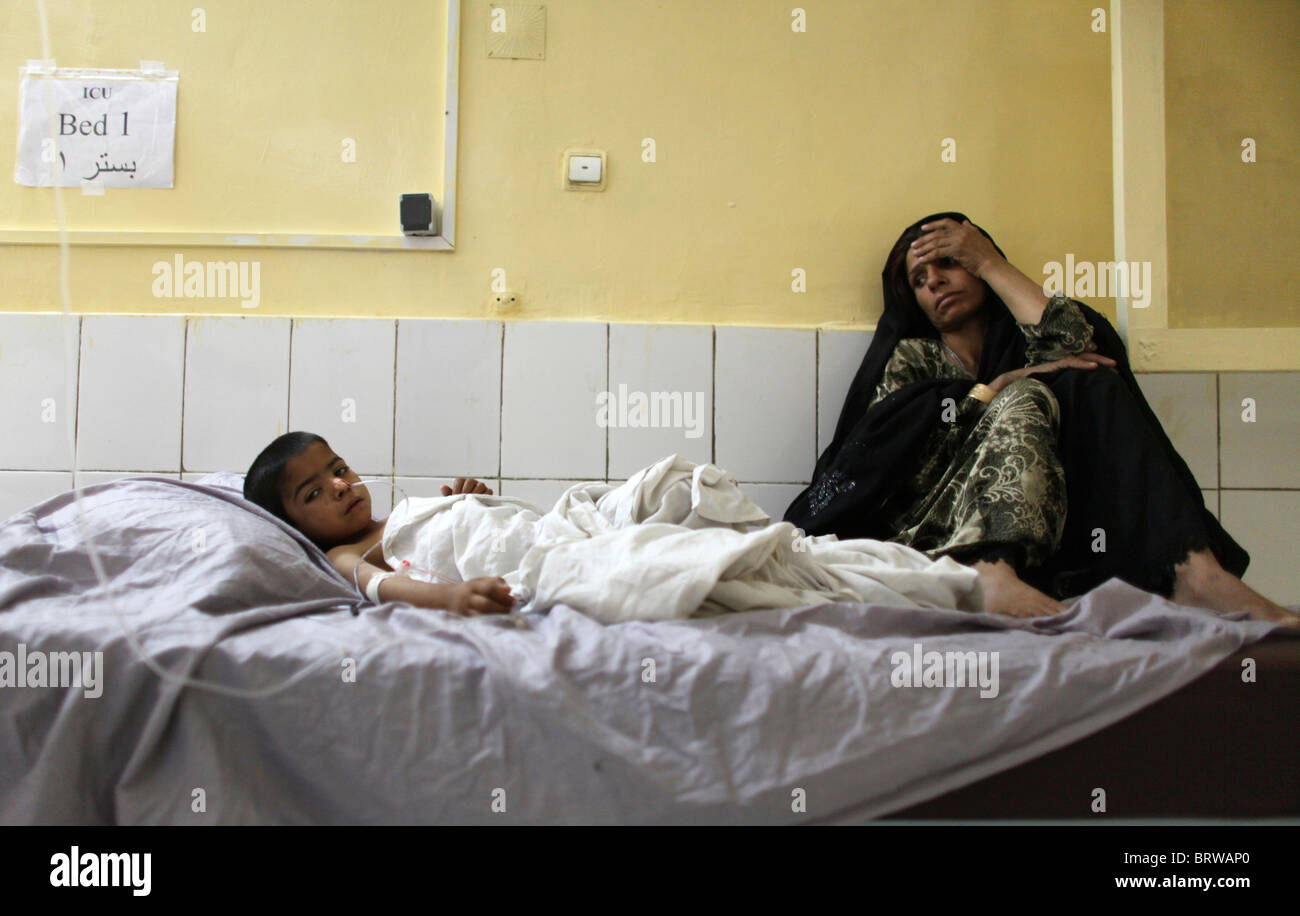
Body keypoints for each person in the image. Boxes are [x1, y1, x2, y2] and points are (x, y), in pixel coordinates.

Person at [785, 211, 1300, 625]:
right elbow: (891, 451)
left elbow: (1082, 350)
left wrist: (988, 262)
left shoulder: (1019, 335)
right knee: (1026, 396)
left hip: (1051, 524)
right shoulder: (912, 356)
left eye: (950, 263)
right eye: (919, 280)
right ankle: (988, 569)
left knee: (1093, 381)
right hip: (934, 523)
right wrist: (998, 388)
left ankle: (1192, 570)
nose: (935, 281)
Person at [243, 432, 515, 616]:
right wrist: (451, 598)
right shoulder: (342, 555)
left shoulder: (398, 516)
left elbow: (454, 535)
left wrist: (468, 504)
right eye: (313, 493)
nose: (341, 486)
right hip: (512, 568)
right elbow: (380, 586)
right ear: (294, 529)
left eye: (339, 470)